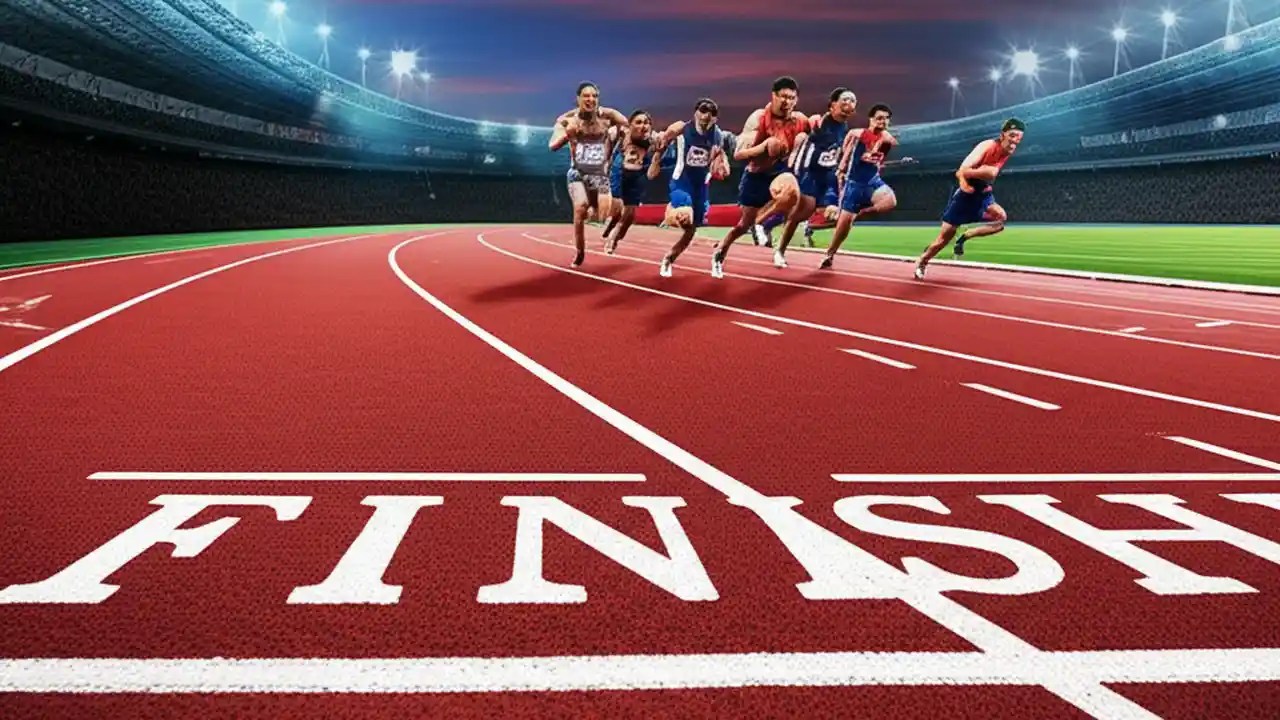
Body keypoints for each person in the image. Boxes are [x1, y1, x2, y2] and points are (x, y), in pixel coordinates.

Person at [710, 76, 810, 279]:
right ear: (773, 96)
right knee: (742, 226)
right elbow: (739, 154)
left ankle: (766, 230)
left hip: (779, 172)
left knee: (792, 194)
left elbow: (818, 132)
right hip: (755, 176)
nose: (787, 102)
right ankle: (721, 250)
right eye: (783, 97)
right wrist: (764, 146)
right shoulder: (759, 118)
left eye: (791, 98)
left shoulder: (800, 120)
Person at [914, 117, 1025, 279]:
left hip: (983, 194)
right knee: (943, 239)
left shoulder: (1007, 151)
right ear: (1002, 135)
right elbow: (961, 170)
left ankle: (965, 236)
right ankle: (923, 260)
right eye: (1012, 136)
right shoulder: (987, 146)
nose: (1015, 141)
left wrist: (987, 178)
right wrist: (964, 184)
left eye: (1019, 138)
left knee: (1001, 220)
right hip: (965, 197)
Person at [767, 87, 857, 268]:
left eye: (852, 101)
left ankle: (827, 253)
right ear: (832, 105)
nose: (849, 104)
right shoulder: (824, 121)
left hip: (828, 175)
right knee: (801, 212)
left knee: (837, 213)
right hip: (810, 173)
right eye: (844, 100)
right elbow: (816, 122)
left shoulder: (844, 128)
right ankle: (779, 248)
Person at [548, 82, 629, 266]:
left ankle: (607, 228)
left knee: (614, 210)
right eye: (586, 96)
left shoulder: (608, 116)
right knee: (580, 207)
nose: (590, 99)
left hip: (600, 174)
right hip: (578, 173)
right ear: (578, 99)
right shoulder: (567, 120)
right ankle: (580, 252)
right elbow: (552, 145)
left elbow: (628, 125)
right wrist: (568, 135)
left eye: (594, 96)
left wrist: (621, 133)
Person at [818, 103, 903, 269]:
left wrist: (881, 161)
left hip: (872, 181)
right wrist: (841, 172)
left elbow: (879, 159)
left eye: (886, 119)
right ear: (871, 119)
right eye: (879, 118)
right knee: (843, 227)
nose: (883, 121)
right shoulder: (856, 134)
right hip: (853, 184)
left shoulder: (887, 140)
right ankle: (829, 253)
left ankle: (860, 213)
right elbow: (846, 153)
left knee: (890, 201)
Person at [651, 98, 728, 277]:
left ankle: (669, 258)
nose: (706, 116)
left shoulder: (718, 135)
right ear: (695, 112)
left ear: (715, 118)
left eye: (711, 113)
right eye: (703, 110)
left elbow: (719, 158)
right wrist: (656, 161)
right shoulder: (681, 128)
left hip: (701, 186)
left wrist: (722, 165)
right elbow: (661, 142)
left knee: (691, 229)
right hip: (682, 181)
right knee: (686, 215)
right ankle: (670, 211)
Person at [601, 110, 657, 253]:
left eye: (646, 123)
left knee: (630, 216)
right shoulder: (621, 132)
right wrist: (606, 159)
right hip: (619, 171)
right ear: (630, 125)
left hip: (637, 175)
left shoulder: (654, 138)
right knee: (618, 208)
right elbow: (609, 132)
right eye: (638, 122)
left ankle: (614, 237)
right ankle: (611, 229)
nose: (643, 126)